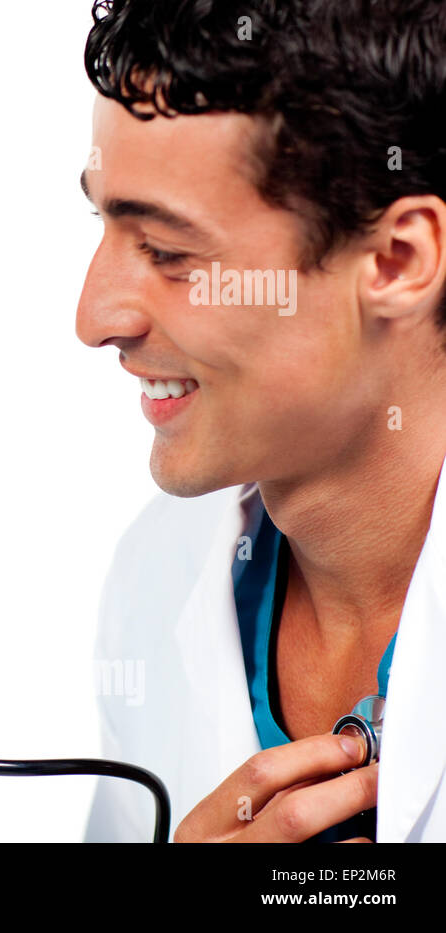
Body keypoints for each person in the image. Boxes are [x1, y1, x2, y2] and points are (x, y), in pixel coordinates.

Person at [76, 0, 446, 842]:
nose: (94, 316)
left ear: (395, 261)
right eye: (100, 222)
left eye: (168, 252)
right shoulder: (158, 573)